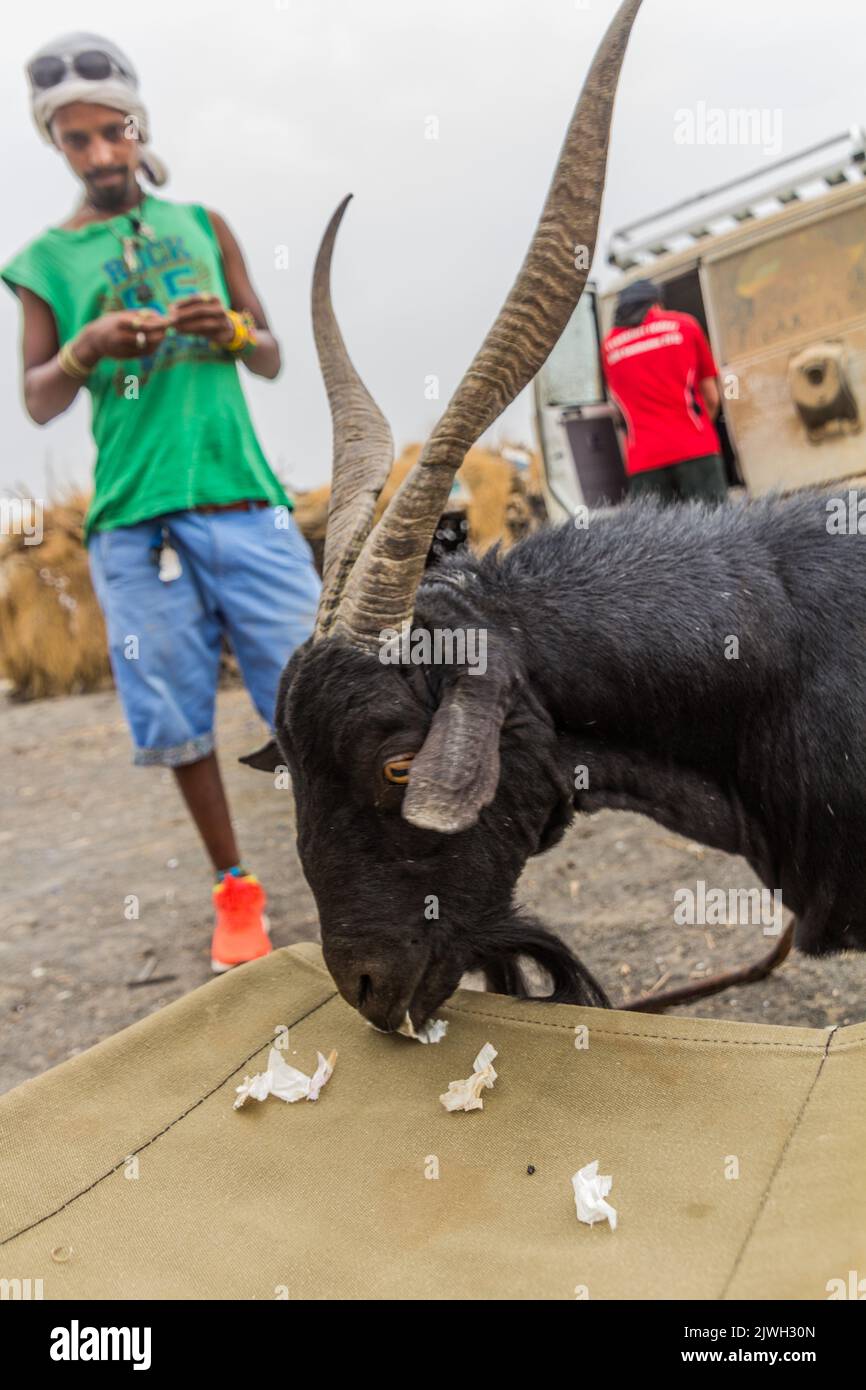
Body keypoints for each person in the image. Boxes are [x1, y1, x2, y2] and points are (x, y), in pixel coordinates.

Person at [2, 33, 321, 972]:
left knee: (310, 697)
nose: (101, 154)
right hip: (135, 525)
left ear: (140, 125)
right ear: (55, 144)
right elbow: (39, 395)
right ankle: (235, 889)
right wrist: (90, 346)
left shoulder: (203, 225)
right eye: (78, 141)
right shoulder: (43, 262)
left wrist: (228, 328)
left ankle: (362, 861)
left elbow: (270, 353)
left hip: (243, 500)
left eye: (114, 132)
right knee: (177, 718)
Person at [601, 278, 727, 504]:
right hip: (695, 449)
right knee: (717, 530)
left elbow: (618, 406)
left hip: (644, 463)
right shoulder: (684, 326)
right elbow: (712, 396)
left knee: (657, 538)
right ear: (656, 303)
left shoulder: (609, 347)